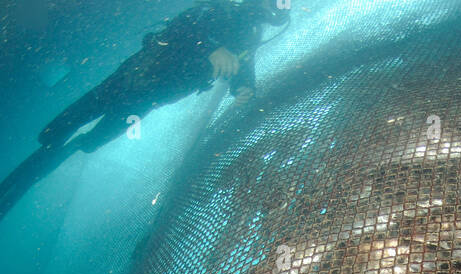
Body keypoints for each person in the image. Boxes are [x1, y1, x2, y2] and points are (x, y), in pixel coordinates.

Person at [0, 0, 289, 221]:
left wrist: (244, 87)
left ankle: (40, 167)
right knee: (59, 129)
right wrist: (210, 48)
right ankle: (31, 166)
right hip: (131, 79)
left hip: (149, 100)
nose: (278, 6)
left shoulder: (251, 35)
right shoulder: (222, 10)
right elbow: (179, 27)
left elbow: (243, 66)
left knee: (90, 141)